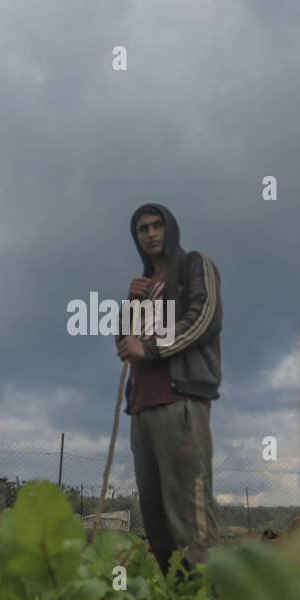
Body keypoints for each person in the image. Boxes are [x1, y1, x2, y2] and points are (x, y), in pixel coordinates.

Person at [115, 203, 223, 574]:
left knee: (189, 510)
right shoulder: (143, 286)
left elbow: (203, 319)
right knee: (155, 515)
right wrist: (130, 304)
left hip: (180, 400)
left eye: (156, 225)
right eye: (142, 229)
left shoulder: (195, 265)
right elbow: (122, 344)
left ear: (170, 228)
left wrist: (150, 349)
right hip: (142, 407)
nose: (150, 234)